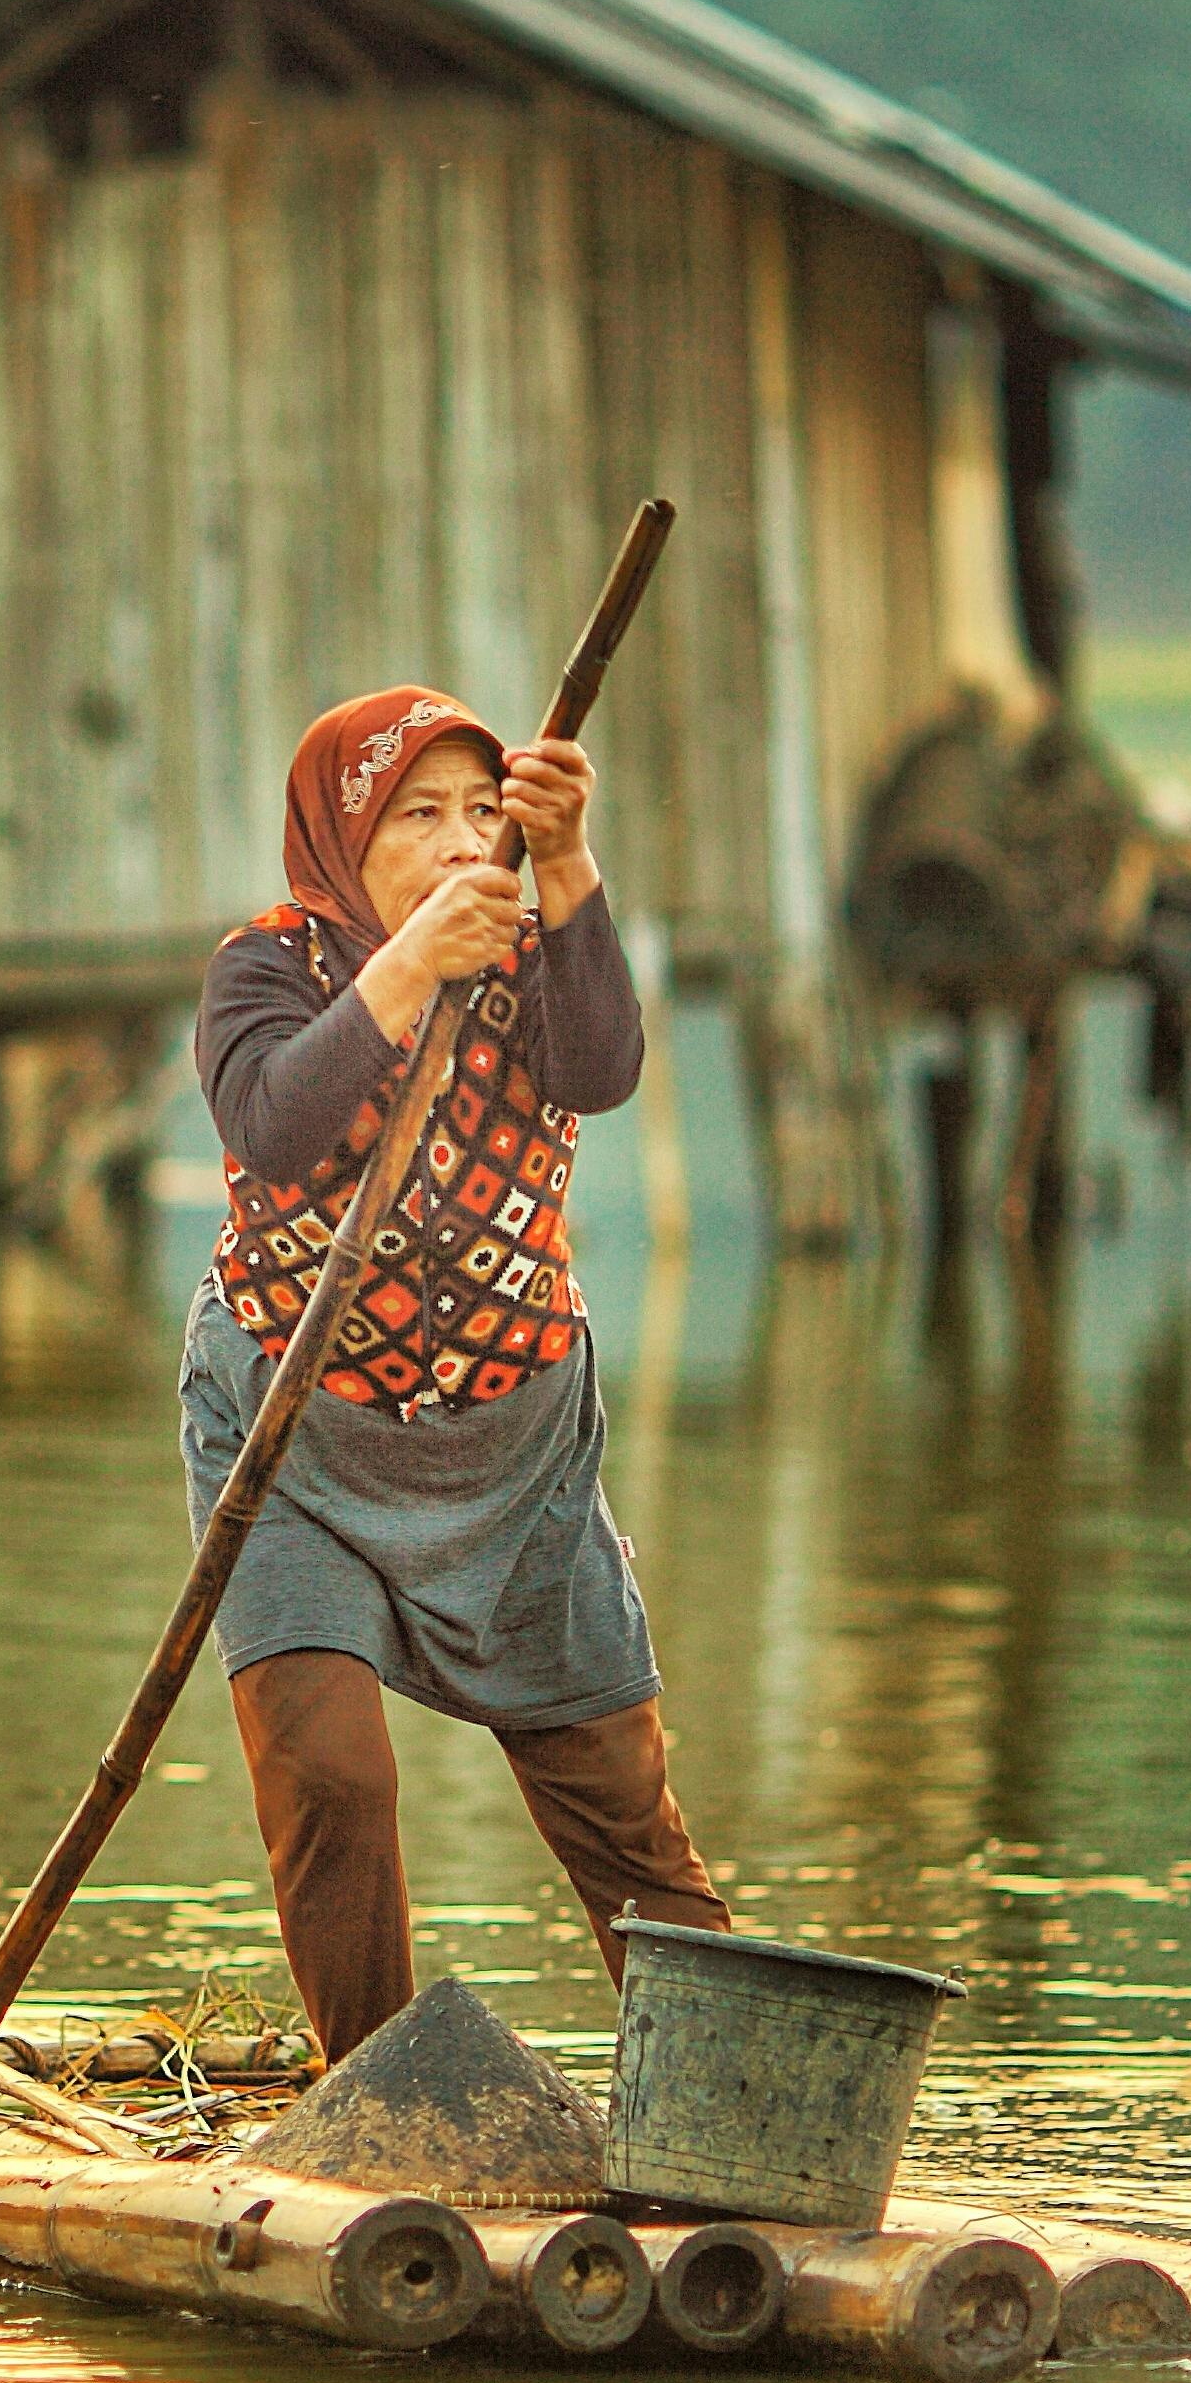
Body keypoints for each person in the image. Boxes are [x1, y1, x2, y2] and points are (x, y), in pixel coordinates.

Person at [185, 685, 731, 2057]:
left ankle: (729, 2093)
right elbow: (277, 1124)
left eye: (482, 811)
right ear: (342, 839)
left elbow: (602, 1069)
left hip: (514, 1446)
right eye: (417, 816)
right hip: (295, 1440)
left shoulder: (541, 945)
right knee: (329, 1778)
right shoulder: (269, 967)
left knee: (620, 1799)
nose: (455, 841)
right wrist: (409, 969)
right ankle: (368, 2090)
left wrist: (570, 862)